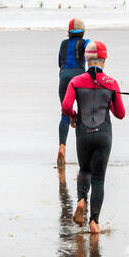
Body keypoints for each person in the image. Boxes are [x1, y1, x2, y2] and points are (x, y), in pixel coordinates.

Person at [61, 41, 126, 234]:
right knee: (99, 178)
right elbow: (120, 113)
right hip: (104, 134)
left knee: (85, 170)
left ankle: (81, 200)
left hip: (83, 133)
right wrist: (109, 103)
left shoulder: (76, 81)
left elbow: (65, 106)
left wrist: (73, 115)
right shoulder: (112, 83)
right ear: (104, 59)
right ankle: (94, 222)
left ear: (86, 59)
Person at [57, 17, 89, 165]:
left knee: (65, 112)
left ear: (69, 32)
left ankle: (62, 146)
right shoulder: (84, 43)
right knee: (83, 112)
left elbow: (59, 63)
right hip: (79, 78)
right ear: (82, 32)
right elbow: (92, 49)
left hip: (64, 77)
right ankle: (83, 151)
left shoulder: (63, 44)